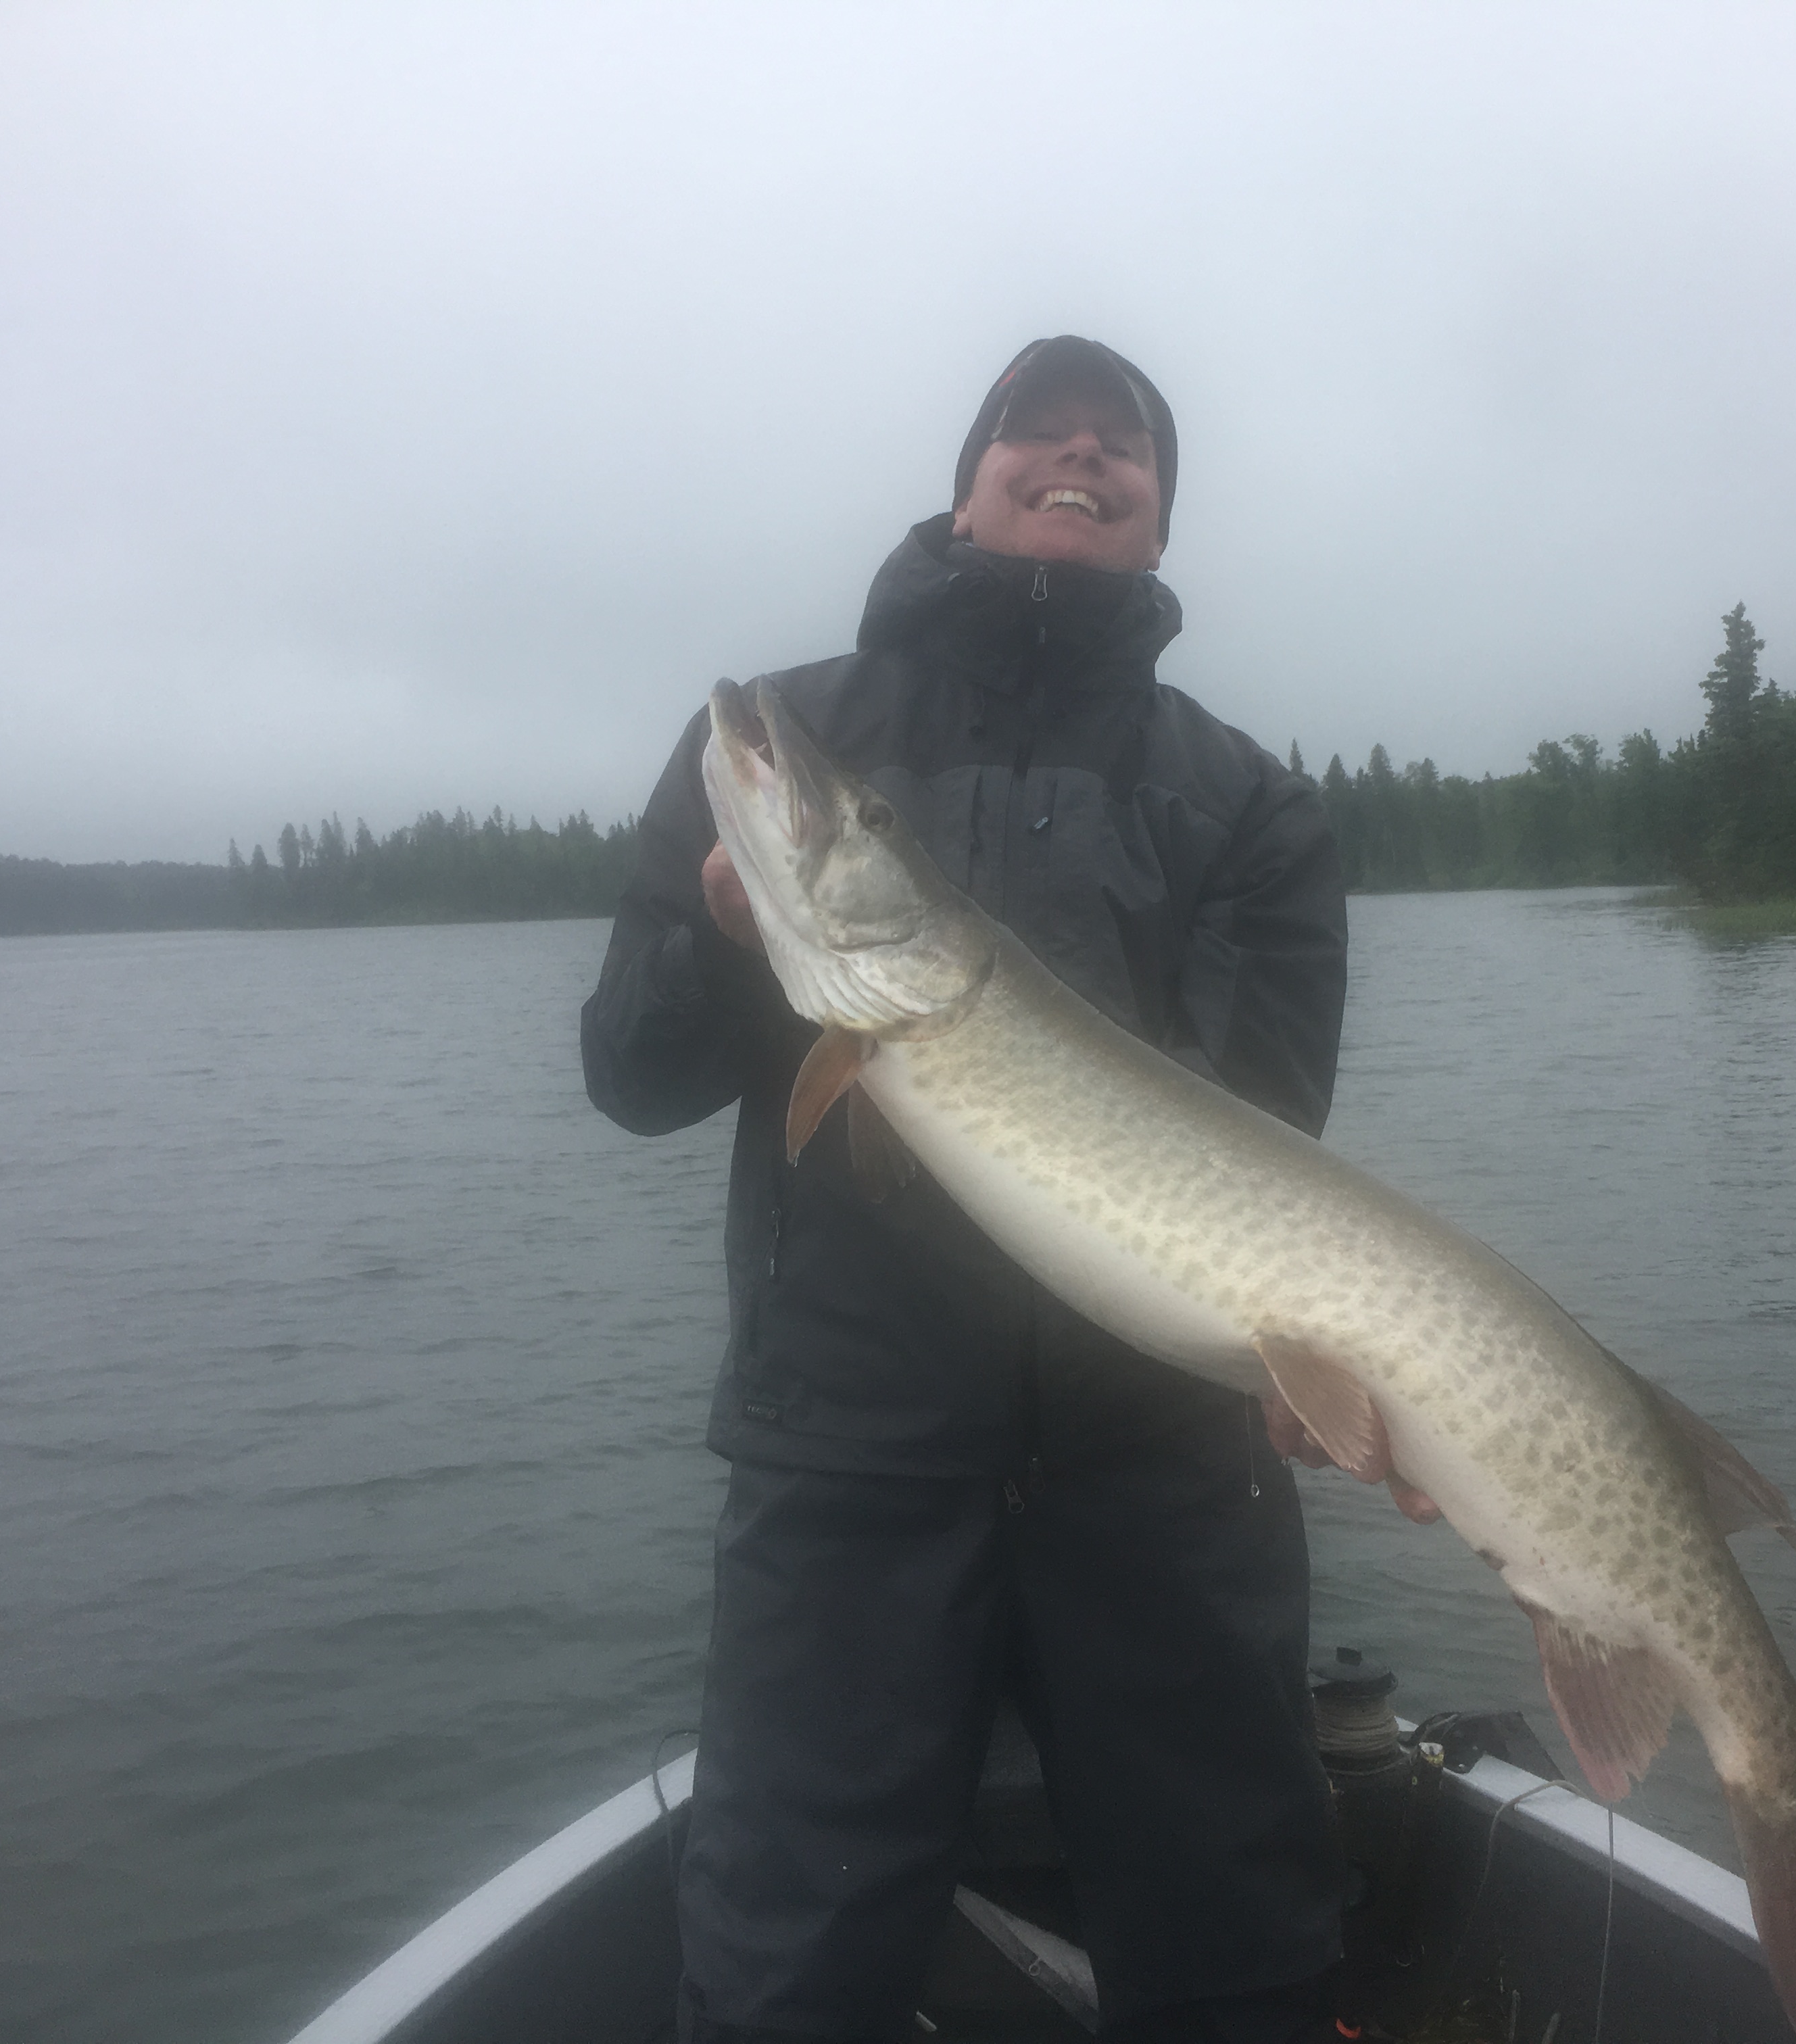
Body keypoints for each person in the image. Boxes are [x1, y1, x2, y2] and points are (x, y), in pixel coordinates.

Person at [582, 336, 1422, 2044]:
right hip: (848, 1468)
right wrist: (744, 948)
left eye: (1124, 445)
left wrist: (1322, 1361)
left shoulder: (1249, 803)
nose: (1080, 455)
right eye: (1035, 431)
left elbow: (1259, 1136)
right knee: (787, 1973)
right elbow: (632, 1077)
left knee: (1239, 1963)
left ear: (1159, 519)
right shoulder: (788, 738)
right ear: (966, 490)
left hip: (1166, 1483)